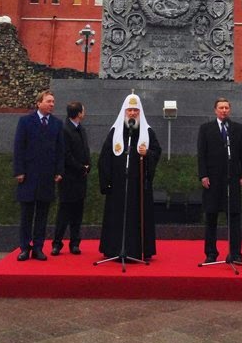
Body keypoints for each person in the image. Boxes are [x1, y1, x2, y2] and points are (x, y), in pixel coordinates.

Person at [98, 92, 161, 261]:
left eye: (135, 110)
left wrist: (147, 153)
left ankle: (138, 250)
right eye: (129, 110)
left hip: (138, 186)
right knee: (116, 217)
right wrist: (106, 183)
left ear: (140, 112)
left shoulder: (147, 132)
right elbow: (104, 158)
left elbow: (157, 152)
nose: (132, 113)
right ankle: (114, 249)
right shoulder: (115, 131)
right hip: (118, 185)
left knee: (137, 217)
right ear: (124, 112)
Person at [13, 89, 64, 261]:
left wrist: (58, 171)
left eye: (53, 102)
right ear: (39, 103)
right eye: (49, 101)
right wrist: (19, 171)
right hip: (28, 175)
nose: (52, 104)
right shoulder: (26, 121)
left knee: (42, 214)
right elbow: (19, 147)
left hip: (47, 176)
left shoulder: (57, 124)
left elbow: (60, 149)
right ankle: (24, 248)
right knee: (27, 214)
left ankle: (39, 247)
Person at [197, 97, 242, 264]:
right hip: (212, 181)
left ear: (230, 110)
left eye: (226, 107)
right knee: (211, 217)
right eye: (221, 108)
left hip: (232, 180)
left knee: (234, 217)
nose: (224, 110)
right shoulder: (206, 129)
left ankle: (236, 254)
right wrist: (203, 175)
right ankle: (211, 253)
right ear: (215, 110)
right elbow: (201, 155)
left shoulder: (238, 129)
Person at [51, 101, 91, 256]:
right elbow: (66, 154)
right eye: (83, 110)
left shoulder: (81, 129)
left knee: (78, 213)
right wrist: (81, 167)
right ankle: (57, 243)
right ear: (79, 113)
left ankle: (75, 243)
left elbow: (85, 150)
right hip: (69, 178)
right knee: (64, 212)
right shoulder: (65, 130)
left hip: (81, 178)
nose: (84, 112)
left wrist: (88, 165)